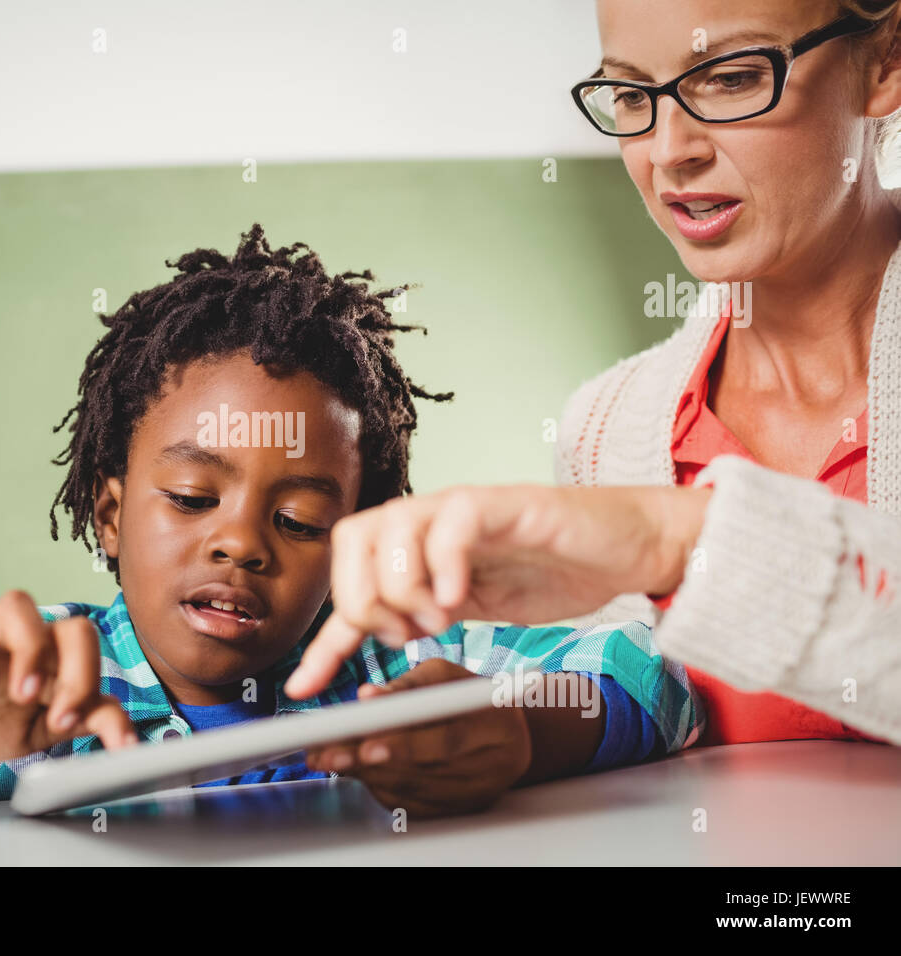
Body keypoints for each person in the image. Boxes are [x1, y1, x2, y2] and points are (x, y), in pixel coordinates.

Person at [0, 225, 699, 846]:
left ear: (356, 538)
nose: (240, 544)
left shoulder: (396, 671)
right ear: (107, 509)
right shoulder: (23, 699)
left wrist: (510, 732)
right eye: (190, 498)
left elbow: (651, 681)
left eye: (301, 516)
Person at [288, 0, 901, 754]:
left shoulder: (642, 512)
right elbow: (630, 722)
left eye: (734, 78)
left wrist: (677, 541)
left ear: (887, 59)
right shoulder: (606, 432)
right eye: (633, 96)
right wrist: (514, 730)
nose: (670, 150)